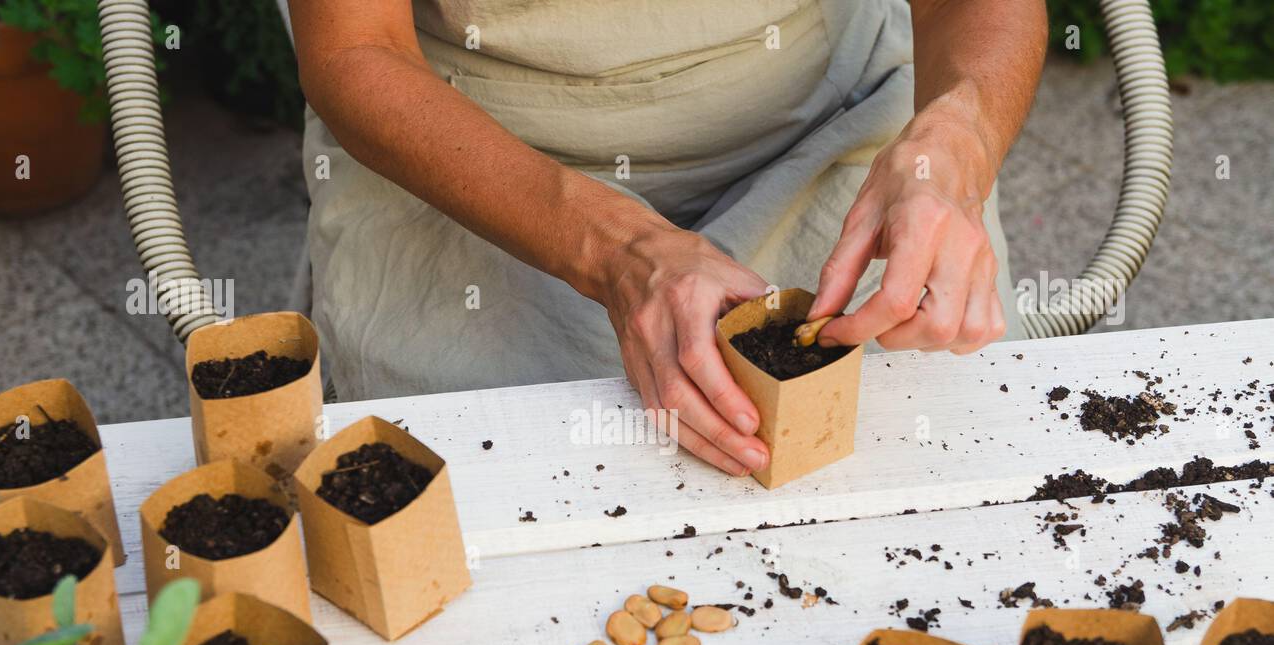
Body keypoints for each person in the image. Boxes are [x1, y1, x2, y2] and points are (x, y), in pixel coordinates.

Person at [290, 0, 1047, 476]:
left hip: (831, 126)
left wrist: (957, 141)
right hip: (479, 168)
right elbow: (354, 50)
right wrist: (619, 252)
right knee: (501, 486)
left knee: (933, 456)